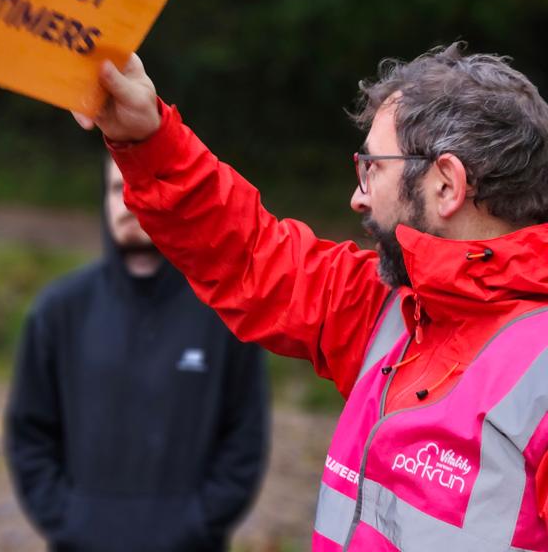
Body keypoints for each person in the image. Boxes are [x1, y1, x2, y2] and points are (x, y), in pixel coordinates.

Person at [76, 43, 548, 550]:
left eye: (373, 167)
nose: (358, 196)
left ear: (446, 185)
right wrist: (145, 136)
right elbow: (249, 255)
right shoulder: (393, 309)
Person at [5, 156, 268, 552]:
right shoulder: (59, 311)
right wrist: (68, 518)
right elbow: (29, 432)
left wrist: (197, 519)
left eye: (143, 185)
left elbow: (244, 438)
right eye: (116, 188)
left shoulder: (224, 314)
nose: (128, 200)